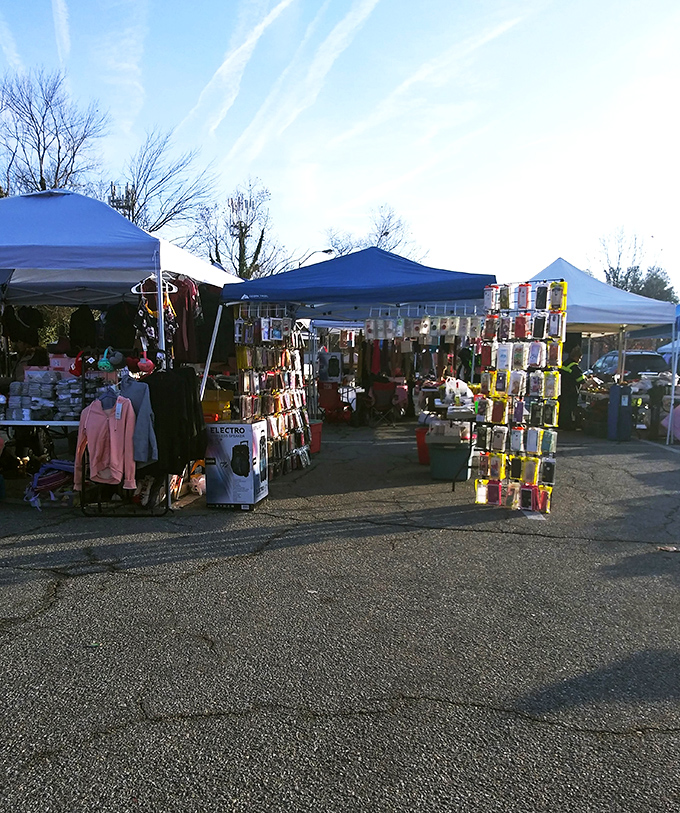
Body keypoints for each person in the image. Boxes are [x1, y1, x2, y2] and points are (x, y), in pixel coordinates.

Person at [559, 346, 585, 430]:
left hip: (562, 389)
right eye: (580, 358)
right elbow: (581, 380)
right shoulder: (574, 366)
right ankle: (568, 426)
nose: (580, 360)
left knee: (562, 407)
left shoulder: (565, 363)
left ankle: (561, 424)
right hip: (571, 391)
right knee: (569, 409)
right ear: (576, 357)